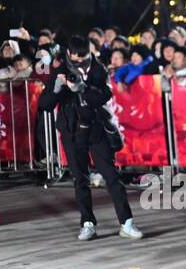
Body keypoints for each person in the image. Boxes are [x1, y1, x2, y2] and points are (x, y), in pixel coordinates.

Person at [38, 35, 142, 240]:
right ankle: (87, 223)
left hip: (95, 129)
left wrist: (83, 89)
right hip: (71, 130)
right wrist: (57, 89)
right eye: (74, 58)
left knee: (111, 176)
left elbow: (105, 95)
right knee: (80, 179)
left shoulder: (98, 69)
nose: (78, 61)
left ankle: (127, 222)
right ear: (68, 53)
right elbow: (45, 105)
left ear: (89, 53)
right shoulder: (60, 71)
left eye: (83, 57)